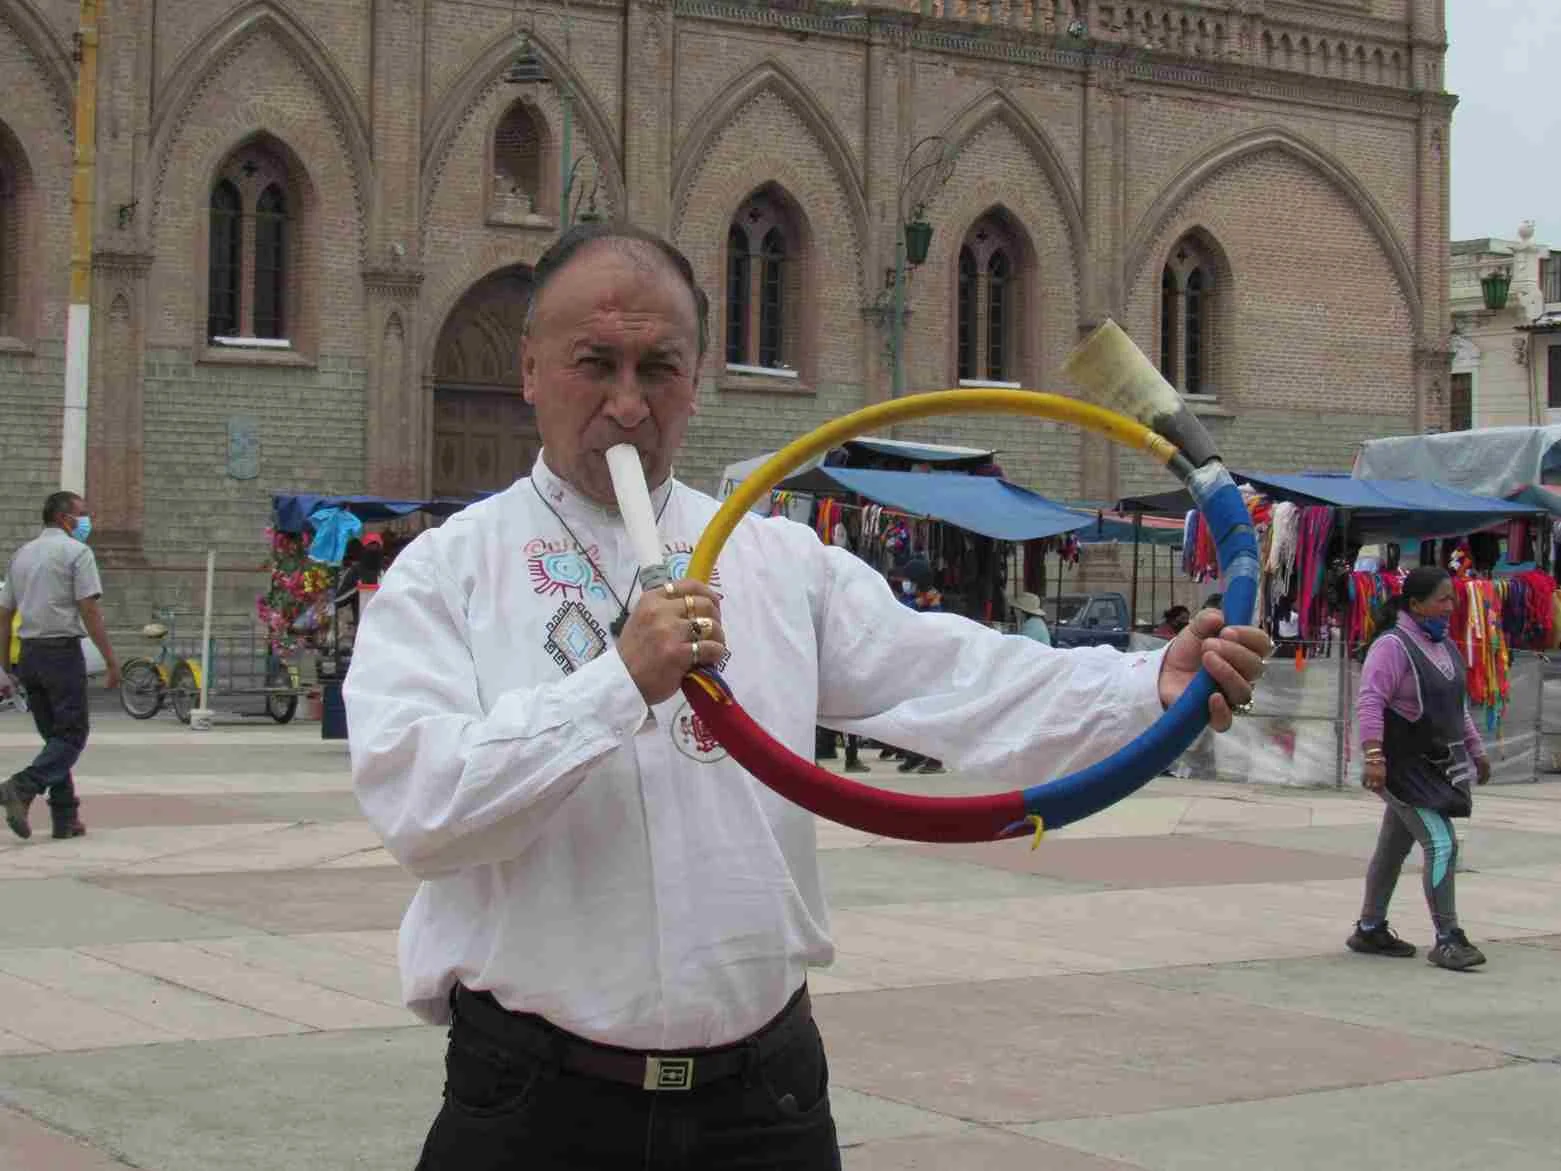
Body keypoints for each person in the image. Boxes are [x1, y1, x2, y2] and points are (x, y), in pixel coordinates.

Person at [343, 222, 1270, 1170]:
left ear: (696, 381)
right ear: (530, 370)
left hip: (761, 1103)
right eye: (596, 363)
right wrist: (616, 683)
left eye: (659, 368)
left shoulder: (772, 557)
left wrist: (1142, 680)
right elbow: (423, 808)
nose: (628, 404)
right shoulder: (446, 574)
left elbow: (948, 674)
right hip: (533, 1101)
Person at [1350, 566, 1490, 972]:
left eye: (1452, 598)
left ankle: (1370, 928)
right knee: (1442, 843)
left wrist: (1476, 751)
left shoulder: (1444, 647)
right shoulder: (1392, 646)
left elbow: (1456, 708)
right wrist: (1374, 758)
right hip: (1399, 767)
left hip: (1434, 767)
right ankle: (1449, 938)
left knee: (1393, 847)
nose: (1451, 606)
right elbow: (1370, 701)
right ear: (1415, 604)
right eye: (1443, 599)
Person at [0, 491, 120, 840]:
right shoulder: (77, 553)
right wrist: (111, 660)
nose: (87, 521)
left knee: (55, 737)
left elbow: (4, 614)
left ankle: (65, 817)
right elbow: (90, 610)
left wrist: (6, 663)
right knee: (72, 735)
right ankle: (22, 786)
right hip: (60, 653)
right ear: (65, 518)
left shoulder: (21, 555)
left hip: (30, 655)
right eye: (82, 514)